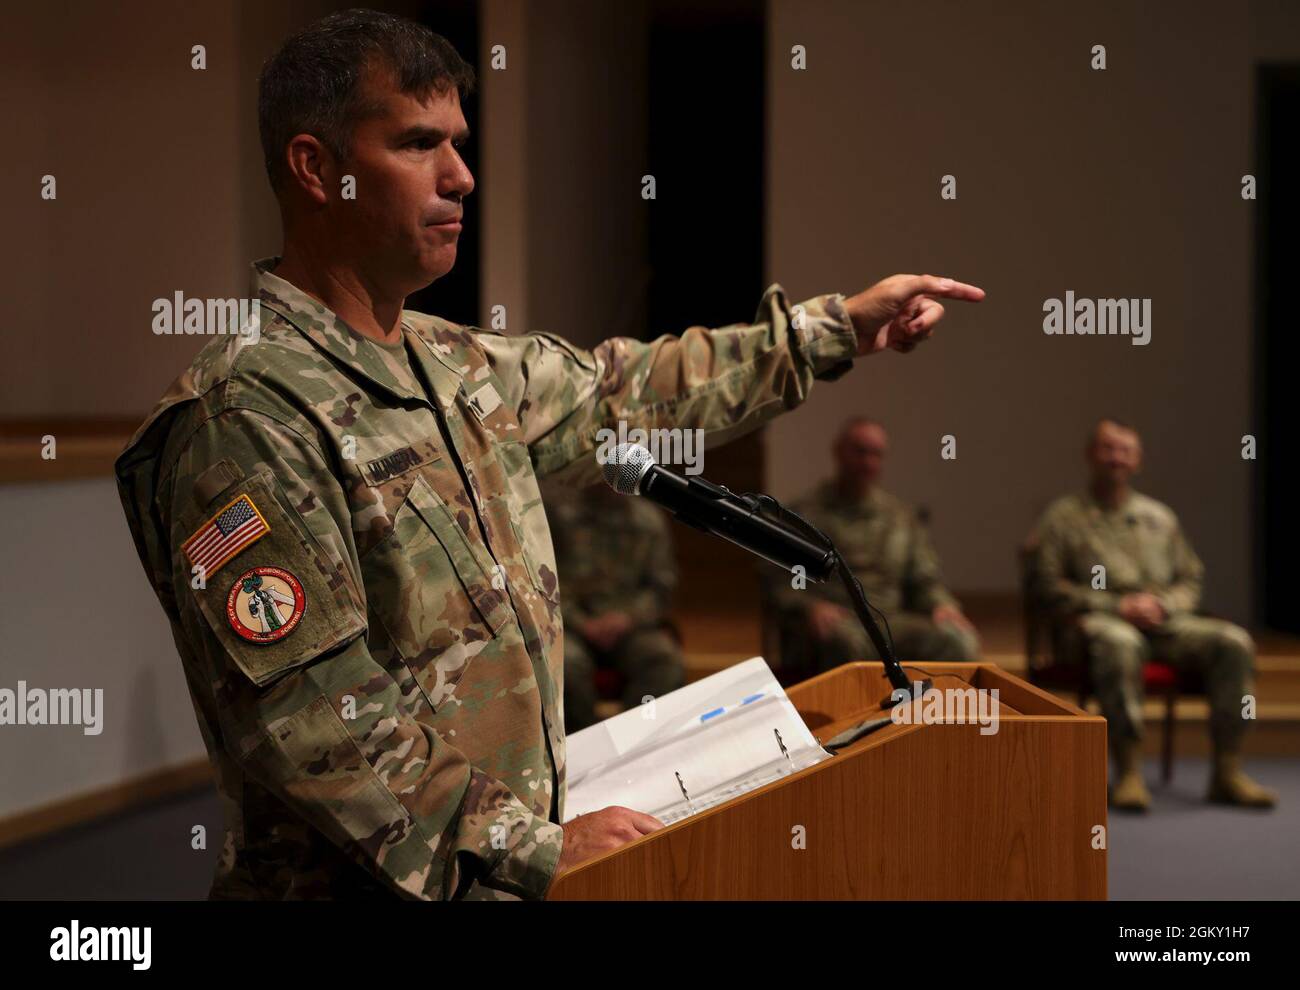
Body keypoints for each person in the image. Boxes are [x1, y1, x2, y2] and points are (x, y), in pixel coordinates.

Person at [114, 8, 985, 900]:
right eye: (419, 144)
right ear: (315, 168)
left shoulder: (450, 362)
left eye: (458, 142)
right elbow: (316, 726)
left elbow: (630, 387)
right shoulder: (247, 417)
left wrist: (830, 331)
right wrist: (531, 849)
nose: (463, 176)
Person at [1032, 418, 1275, 811]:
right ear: (1091, 455)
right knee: (1120, 642)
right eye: (1108, 449)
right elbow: (1046, 586)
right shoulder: (1063, 518)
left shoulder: (1159, 518)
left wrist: (1163, 605)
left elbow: (1191, 578)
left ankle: (1227, 771)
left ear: (1138, 461)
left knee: (1233, 642)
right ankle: (1128, 772)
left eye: (1126, 451)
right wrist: (1116, 606)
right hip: (1096, 625)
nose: (1117, 459)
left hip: (1163, 623)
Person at [771, 417, 978, 671]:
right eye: (860, 452)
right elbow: (779, 579)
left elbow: (925, 578)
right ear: (838, 452)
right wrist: (809, 606)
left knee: (958, 641)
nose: (867, 462)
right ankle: (860, 712)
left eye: (876, 454)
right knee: (845, 644)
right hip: (840, 618)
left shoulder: (900, 517)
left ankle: (936, 710)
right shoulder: (804, 516)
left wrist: (942, 605)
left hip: (891, 619)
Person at [545, 484, 682, 732]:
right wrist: (581, 622)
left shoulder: (648, 522)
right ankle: (583, 742)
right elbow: (543, 582)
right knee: (564, 664)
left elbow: (661, 587)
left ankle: (636, 737)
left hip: (630, 625)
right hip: (571, 625)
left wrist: (627, 617)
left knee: (662, 659)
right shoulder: (558, 517)